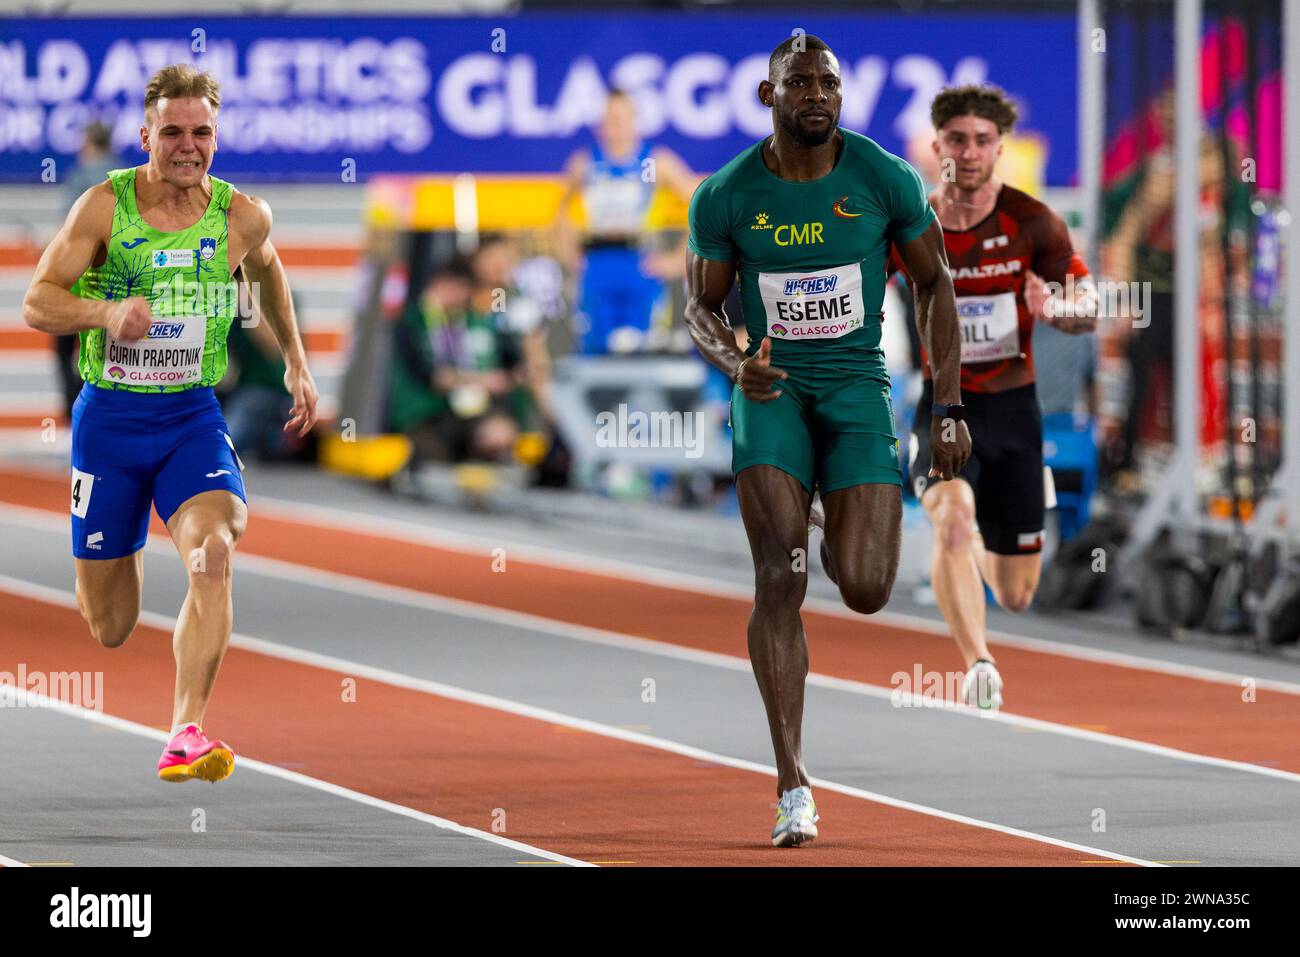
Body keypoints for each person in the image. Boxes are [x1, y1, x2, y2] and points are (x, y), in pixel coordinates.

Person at [685, 35, 969, 847]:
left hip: (855, 386)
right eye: (800, 82)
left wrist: (944, 406)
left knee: (869, 585)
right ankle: (792, 784)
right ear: (767, 97)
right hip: (771, 390)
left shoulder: (884, 177)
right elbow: (700, 307)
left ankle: (826, 513)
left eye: (829, 82)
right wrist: (738, 360)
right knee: (779, 577)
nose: (817, 93)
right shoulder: (726, 194)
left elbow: (933, 283)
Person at [20, 64, 318, 782]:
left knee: (215, 552)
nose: (189, 146)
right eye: (174, 132)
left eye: (203, 132)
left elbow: (269, 271)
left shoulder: (242, 215)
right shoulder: (104, 207)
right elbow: (36, 300)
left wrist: (296, 364)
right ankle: (127, 542)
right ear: (147, 133)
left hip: (190, 415)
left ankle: (185, 729)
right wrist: (103, 313)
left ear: (217, 135)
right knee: (111, 625)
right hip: (110, 423)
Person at [888, 85, 1095, 710]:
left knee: (1017, 592)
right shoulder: (911, 225)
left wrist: (1059, 307)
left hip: (1015, 415)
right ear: (936, 147)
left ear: (1000, 148)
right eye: (957, 140)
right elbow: (856, 289)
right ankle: (978, 661)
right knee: (949, 521)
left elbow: (1087, 303)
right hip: (945, 408)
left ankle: (982, 543)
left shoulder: (1033, 221)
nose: (969, 152)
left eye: (981, 141)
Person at [556, 90, 698, 354]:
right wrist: (569, 254)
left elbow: (703, 204)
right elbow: (560, 211)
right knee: (594, 346)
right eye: (609, 118)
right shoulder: (584, 163)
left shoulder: (657, 161)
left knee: (642, 346)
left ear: (635, 120)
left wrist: (679, 259)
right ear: (600, 124)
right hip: (596, 262)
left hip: (641, 262)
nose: (615, 125)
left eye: (621, 118)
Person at [54, 122, 121, 419]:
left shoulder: (80, 176)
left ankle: (75, 415)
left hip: (80, 278)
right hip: (116, 280)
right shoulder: (123, 176)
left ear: (88, 143)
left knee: (65, 349)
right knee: (107, 347)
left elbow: (67, 232)